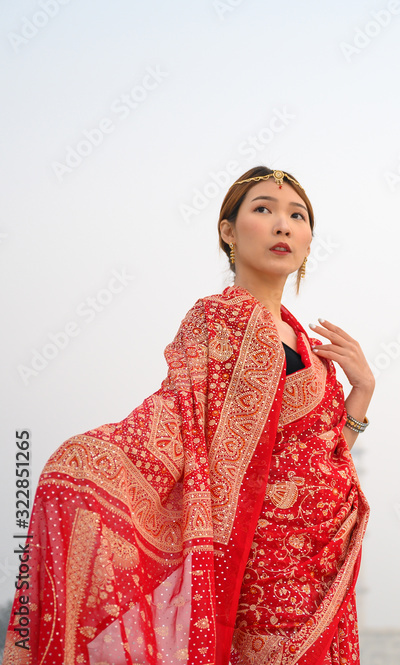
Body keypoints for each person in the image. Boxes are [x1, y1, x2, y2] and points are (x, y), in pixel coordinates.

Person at [3, 167, 374, 665]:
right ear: (228, 231)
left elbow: (319, 457)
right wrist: (86, 466)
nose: (282, 225)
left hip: (316, 563)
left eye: (296, 216)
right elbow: (177, 419)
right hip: (250, 563)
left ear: (309, 242)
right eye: (263, 209)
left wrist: (362, 393)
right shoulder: (217, 320)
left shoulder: (309, 344)